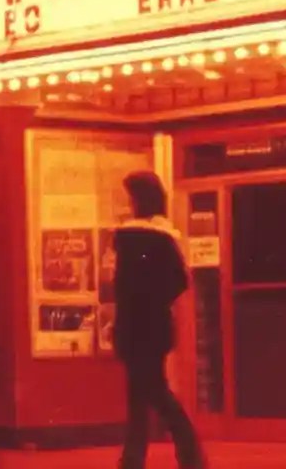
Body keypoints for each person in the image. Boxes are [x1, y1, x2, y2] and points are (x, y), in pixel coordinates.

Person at [113, 172, 206, 469]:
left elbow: (122, 287)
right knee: (148, 391)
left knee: (147, 393)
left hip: (133, 326)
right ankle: (143, 457)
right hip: (157, 325)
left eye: (130, 197)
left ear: (138, 200)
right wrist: (157, 301)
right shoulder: (165, 238)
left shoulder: (128, 238)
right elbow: (179, 281)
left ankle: (182, 451)